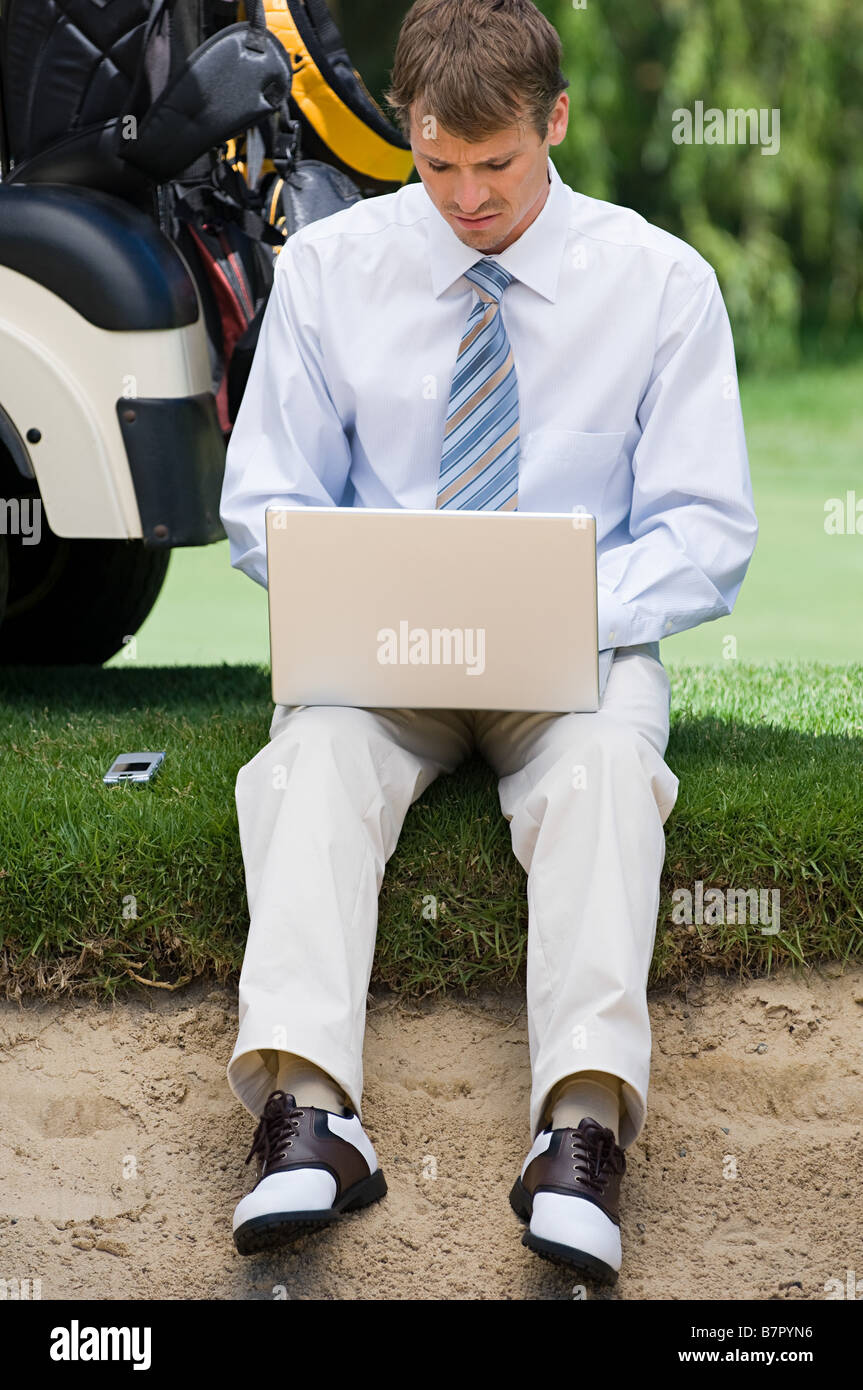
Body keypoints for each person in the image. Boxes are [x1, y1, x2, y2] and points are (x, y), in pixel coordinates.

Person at [218, 0, 757, 1283]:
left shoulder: (660, 283)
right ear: (406, 129)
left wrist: (552, 608)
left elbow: (703, 533)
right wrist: (377, 585)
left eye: (495, 164)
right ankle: (308, 1120)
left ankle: (578, 1138)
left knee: (600, 782)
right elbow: (265, 503)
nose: (463, 195)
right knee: (307, 766)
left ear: (553, 123)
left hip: (576, 654)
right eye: (435, 161)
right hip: (381, 653)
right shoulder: (329, 271)